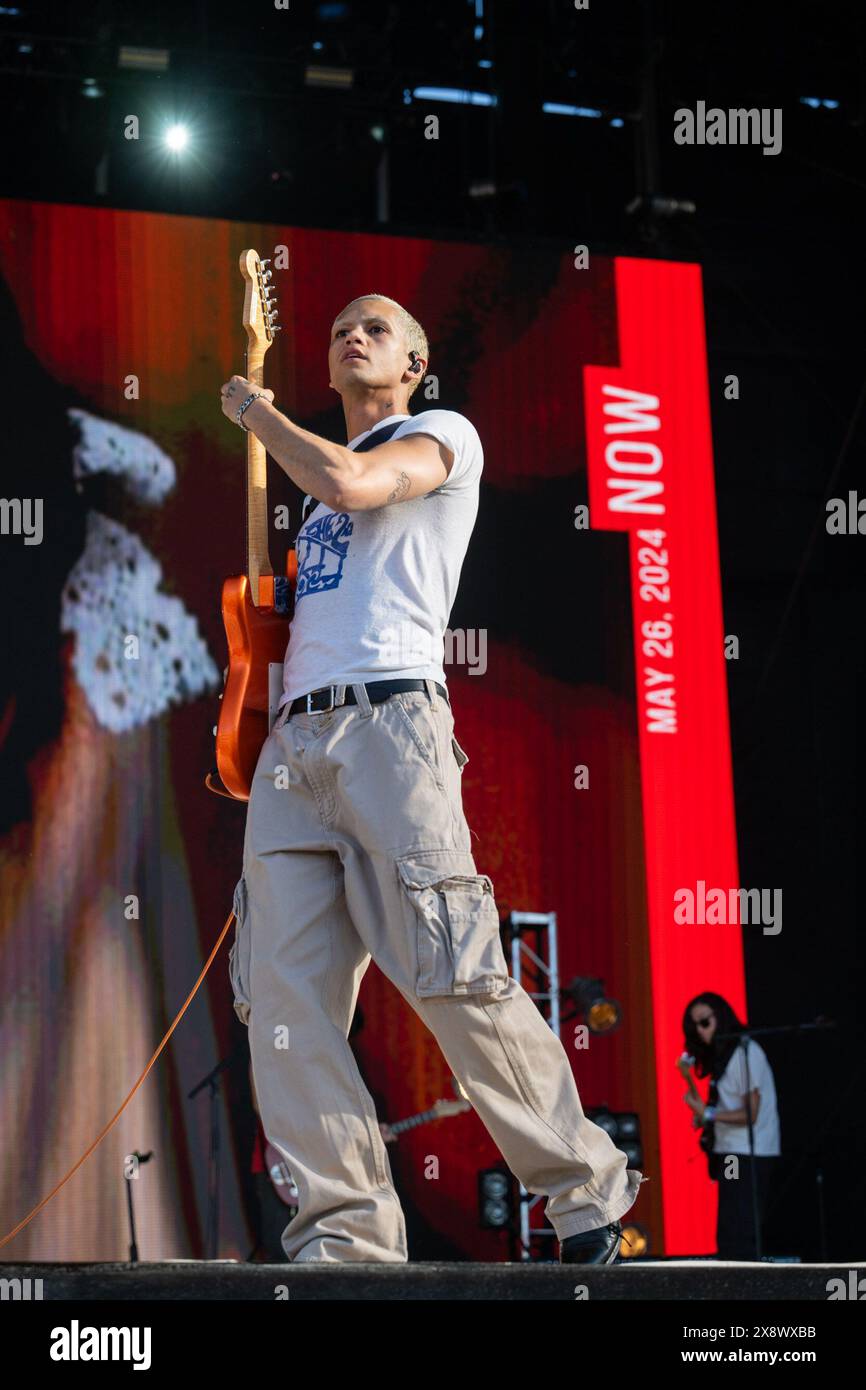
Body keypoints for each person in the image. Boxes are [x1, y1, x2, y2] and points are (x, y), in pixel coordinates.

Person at [219, 293, 644, 1265]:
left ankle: (581, 1195)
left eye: (375, 327)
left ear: (412, 362)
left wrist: (254, 412)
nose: (351, 334)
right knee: (286, 1010)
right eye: (338, 331)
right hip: (295, 745)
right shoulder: (308, 482)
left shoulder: (439, 434)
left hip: (390, 727)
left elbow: (353, 482)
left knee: (451, 970)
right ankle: (343, 1239)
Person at [680, 992, 780, 1259]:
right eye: (695, 1027)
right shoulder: (725, 1057)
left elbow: (750, 1114)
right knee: (729, 1226)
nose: (701, 1032)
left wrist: (709, 1114)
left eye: (705, 1023)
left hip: (747, 1153)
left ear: (720, 1017)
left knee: (739, 1225)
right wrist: (704, 1116)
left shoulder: (746, 1052)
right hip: (731, 1151)